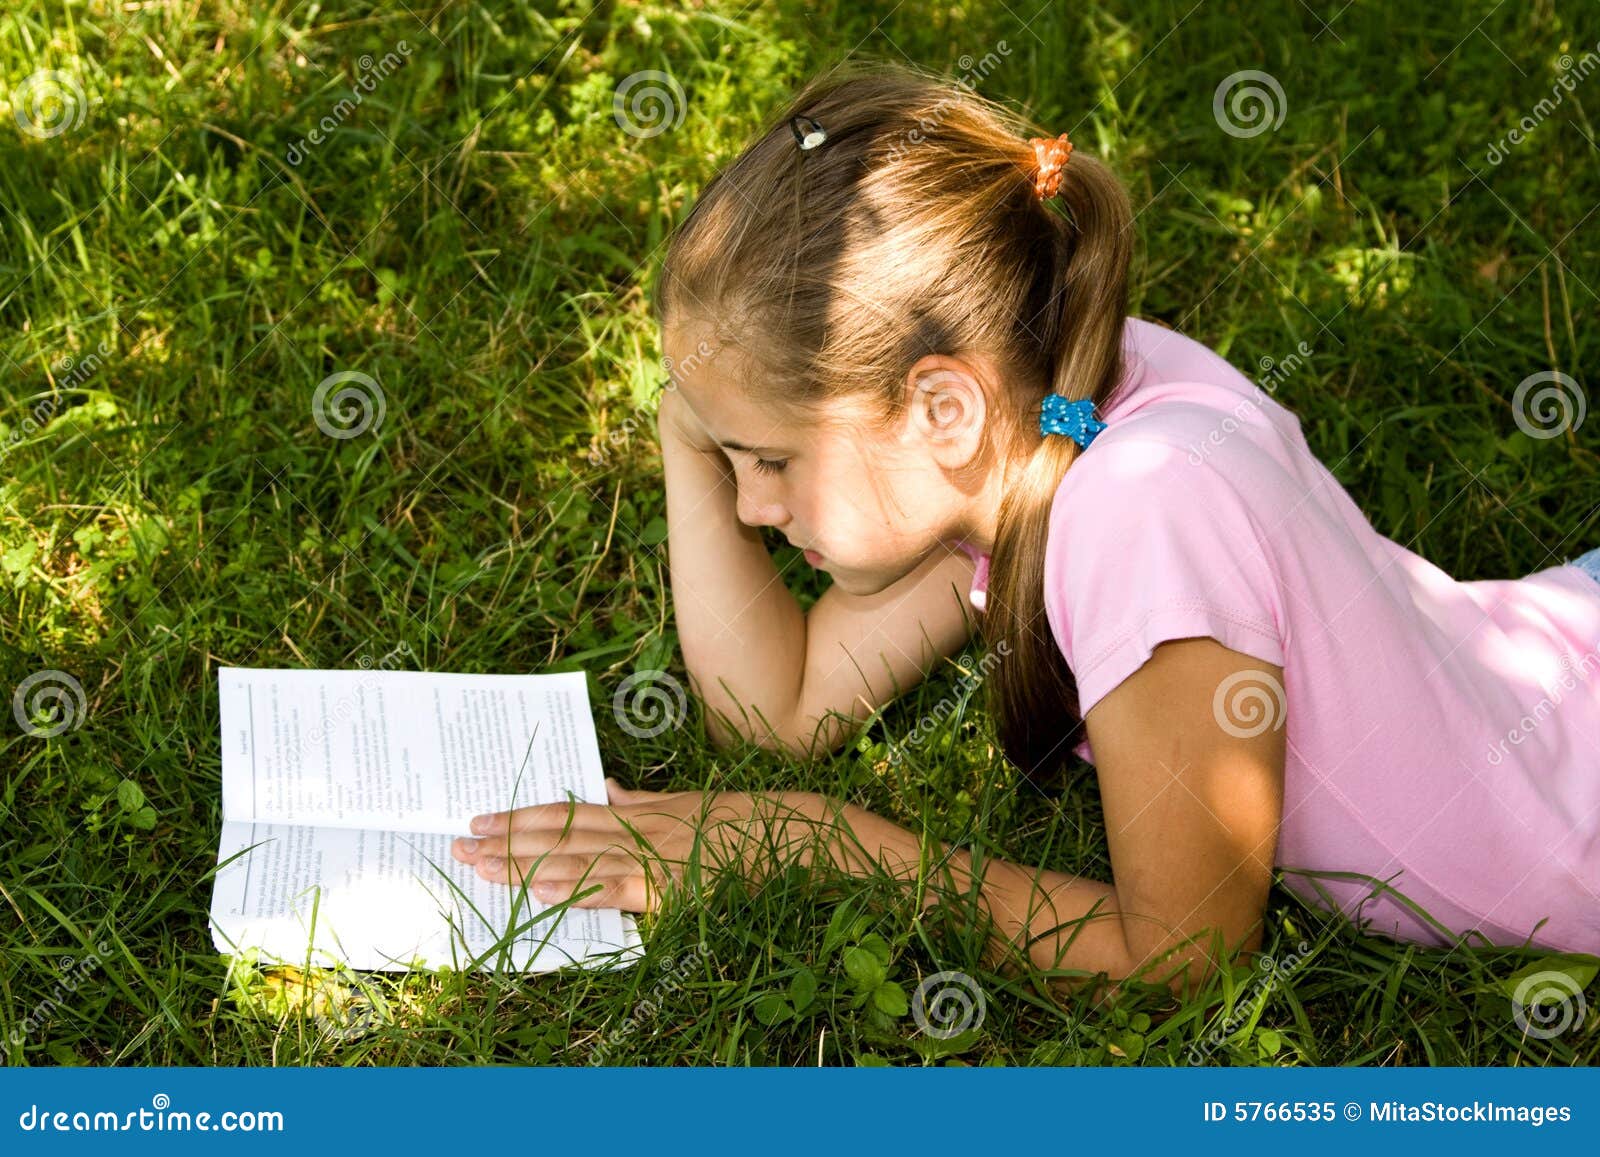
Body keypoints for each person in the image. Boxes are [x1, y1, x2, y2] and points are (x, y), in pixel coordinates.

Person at [452, 61, 1600, 998]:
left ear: (942, 406)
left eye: (775, 462)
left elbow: (1183, 960)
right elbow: (779, 709)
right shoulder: (1048, 413)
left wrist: (820, 840)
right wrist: (688, 426)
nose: (752, 505)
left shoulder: (1138, 512)